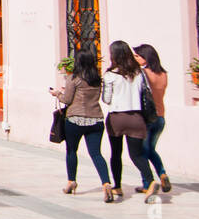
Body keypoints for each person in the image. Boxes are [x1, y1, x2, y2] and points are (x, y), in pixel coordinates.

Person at [49, 48, 112, 201]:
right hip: (95, 119)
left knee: (71, 150)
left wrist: (57, 93)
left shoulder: (73, 78)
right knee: (96, 153)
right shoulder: (97, 79)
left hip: (75, 119)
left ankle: (71, 181)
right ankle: (106, 183)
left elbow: (67, 100)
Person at [102, 40, 152, 202]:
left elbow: (106, 99)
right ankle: (150, 182)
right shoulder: (139, 73)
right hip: (136, 117)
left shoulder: (110, 75)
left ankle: (117, 186)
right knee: (136, 154)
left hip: (117, 117)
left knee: (116, 153)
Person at [132, 43, 173, 197]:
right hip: (161, 116)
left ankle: (147, 184)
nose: (134, 58)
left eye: (137, 55)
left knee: (143, 151)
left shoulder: (143, 73)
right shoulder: (163, 74)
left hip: (148, 117)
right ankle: (162, 174)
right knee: (151, 150)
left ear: (145, 57)